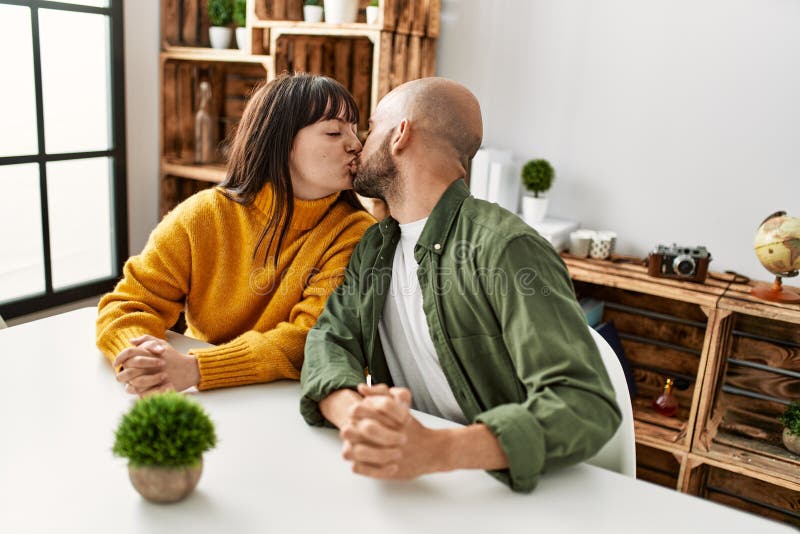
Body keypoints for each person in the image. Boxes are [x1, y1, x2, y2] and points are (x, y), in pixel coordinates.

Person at [299, 77, 621, 492]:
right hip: (419, 488)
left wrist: (438, 449)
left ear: (401, 134)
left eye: (373, 127)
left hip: (505, 496)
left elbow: (586, 404)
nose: (360, 144)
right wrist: (352, 415)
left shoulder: (505, 248)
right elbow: (329, 339)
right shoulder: (377, 245)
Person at [97, 73, 374, 397]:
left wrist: (198, 369)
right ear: (281, 142)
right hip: (206, 398)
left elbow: (309, 340)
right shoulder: (203, 215)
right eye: (334, 131)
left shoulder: (354, 233)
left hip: (293, 402)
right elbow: (128, 303)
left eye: (355, 130)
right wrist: (142, 359)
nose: (356, 144)